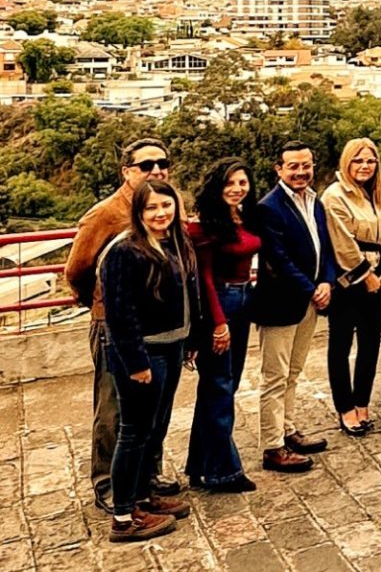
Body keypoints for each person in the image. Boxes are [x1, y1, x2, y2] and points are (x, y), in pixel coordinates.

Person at [64, 137, 180, 511]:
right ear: (127, 172)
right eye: (146, 165)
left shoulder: (163, 204)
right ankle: (109, 485)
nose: (156, 170)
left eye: (162, 163)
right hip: (115, 326)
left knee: (154, 408)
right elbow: (77, 269)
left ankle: (145, 477)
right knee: (115, 410)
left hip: (158, 328)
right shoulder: (106, 214)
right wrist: (99, 303)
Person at [99, 180, 197, 542]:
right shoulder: (125, 251)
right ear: (139, 213)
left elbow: (188, 294)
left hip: (171, 347)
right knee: (134, 431)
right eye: (152, 208)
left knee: (154, 429)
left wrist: (190, 340)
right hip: (143, 354)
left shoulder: (176, 241)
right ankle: (124, 516)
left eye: (166, 205)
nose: (161, 213)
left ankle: (143, 497)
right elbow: (119, 313)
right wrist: (136, 362)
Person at [252, 141, 334, 471]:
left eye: (306, 165)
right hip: (281, 302)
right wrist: (312, 288)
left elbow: (324, 246)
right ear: (279, 169)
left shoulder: (315, 201)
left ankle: (288, 429)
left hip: (310, 300)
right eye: (294, 166)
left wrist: (326, 280)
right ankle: (272, 446)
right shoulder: (269, 207)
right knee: (274, 375)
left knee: (294, 371)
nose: (301, 172)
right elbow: (278, 259)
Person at [185, 159, 260, 493]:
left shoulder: (242, 215)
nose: (237, 188)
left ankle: (201, 464)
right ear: (217, 185)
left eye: (242, 182)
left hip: (244, 299)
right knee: (219, 386)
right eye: (230, 183)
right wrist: (217, 323)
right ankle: (223, 471)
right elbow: (205, 278)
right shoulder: (203, 225)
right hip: (221, 303)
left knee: (224, 385)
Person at [320, 139, 381, 438]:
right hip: (348, 280)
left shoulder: (375, 194)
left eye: (370, 161)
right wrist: (366, 274)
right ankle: (345, 407)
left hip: (375, 272)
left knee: (372, 341)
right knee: (341, 344)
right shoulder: (335, 196)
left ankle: (362, 401)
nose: (364, 166)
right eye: (358, 161)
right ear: (347, 163)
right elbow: (342, 242)